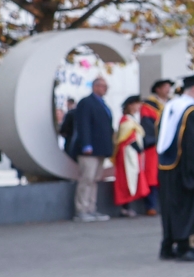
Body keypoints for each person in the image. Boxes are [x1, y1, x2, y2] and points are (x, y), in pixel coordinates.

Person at [158, 73, 194, 260]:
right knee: (187, 206)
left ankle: (167, 246)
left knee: (171, 207)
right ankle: (184, 248)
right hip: (186, 167)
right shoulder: (191, 111)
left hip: (167, 165)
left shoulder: (171, 106)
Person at [64, 75, 114, 222]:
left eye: (106, 87)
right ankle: (81, 209)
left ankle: (91, 208)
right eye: (102, 86)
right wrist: (86, 144)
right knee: (87, 178)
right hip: (89, 150)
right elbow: (83, 124)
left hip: (100, 148)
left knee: (95, 179)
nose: (105, 89)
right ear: (95, 86)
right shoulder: (86, 103)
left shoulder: (103, 104)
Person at [113, 94, 151, 215]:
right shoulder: (125, 120)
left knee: (132, 178)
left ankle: (127, 206)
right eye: (137, 104)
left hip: (132, 154)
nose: (139, 107)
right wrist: (138, 149)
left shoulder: (131, 120)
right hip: (127, 155)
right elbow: (127, 138)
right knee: (127, 179)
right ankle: (125, 207)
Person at [143, 80, 172, 213]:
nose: (168, 89)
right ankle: (151, 206)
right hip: (154, 145)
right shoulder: (148, 106)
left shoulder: (172, 104)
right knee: (153, 174)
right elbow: (147, 126)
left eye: (169, 87)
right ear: (158, 89)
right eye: (165, 87)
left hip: (170, 146)